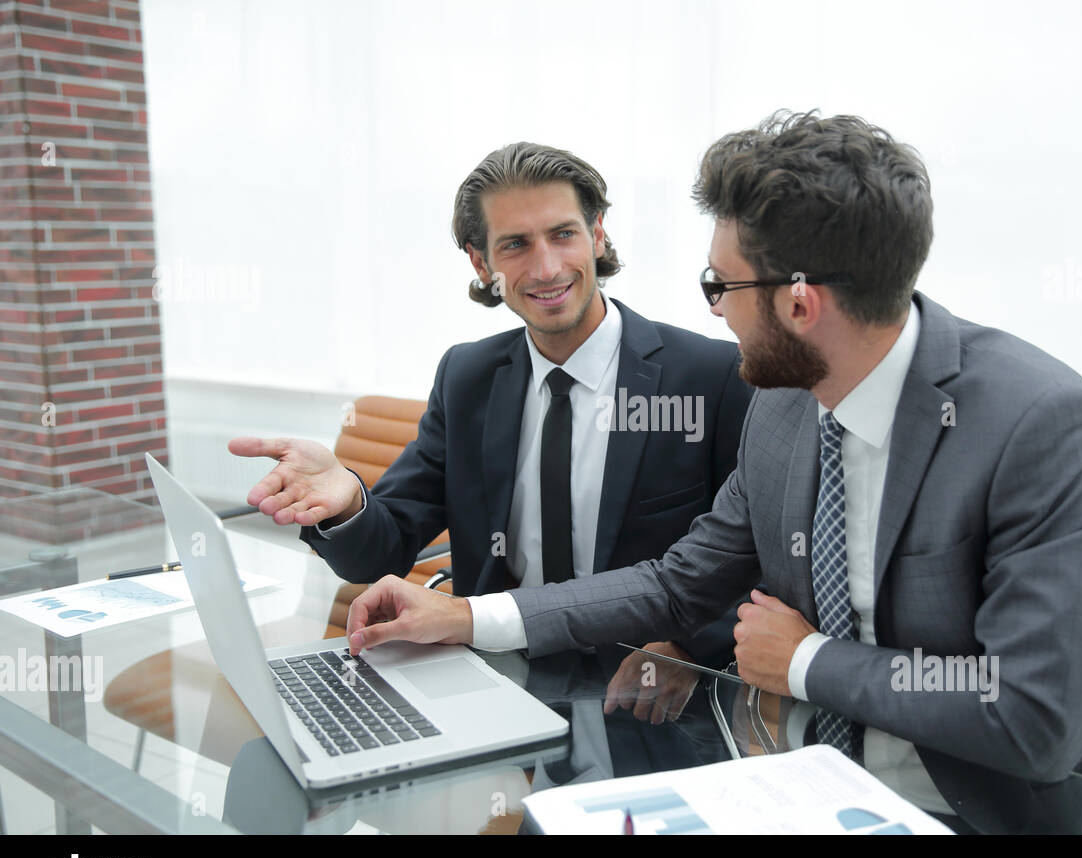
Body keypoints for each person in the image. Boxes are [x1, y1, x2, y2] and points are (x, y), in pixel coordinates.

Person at [338, 113, 1082, 834]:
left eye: (720, 285)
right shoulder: (784, 405)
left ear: (799, 304)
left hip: (1004, 806)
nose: (712, 310)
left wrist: (807, 662)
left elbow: (1034, 719)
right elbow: (676, 585)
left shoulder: (1039, 424)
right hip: (801, 783)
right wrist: (466, 618)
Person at [230, 142, 753, 722]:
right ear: (483, 265)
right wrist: (348, 500)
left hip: (643, 689)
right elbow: (383, 548)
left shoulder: (711, 376)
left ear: (598, 234)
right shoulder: (468, 377)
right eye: (515, 245)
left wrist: (689, 645)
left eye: (562, 234)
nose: (547, 267)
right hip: (497, 676)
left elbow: (756, 556)